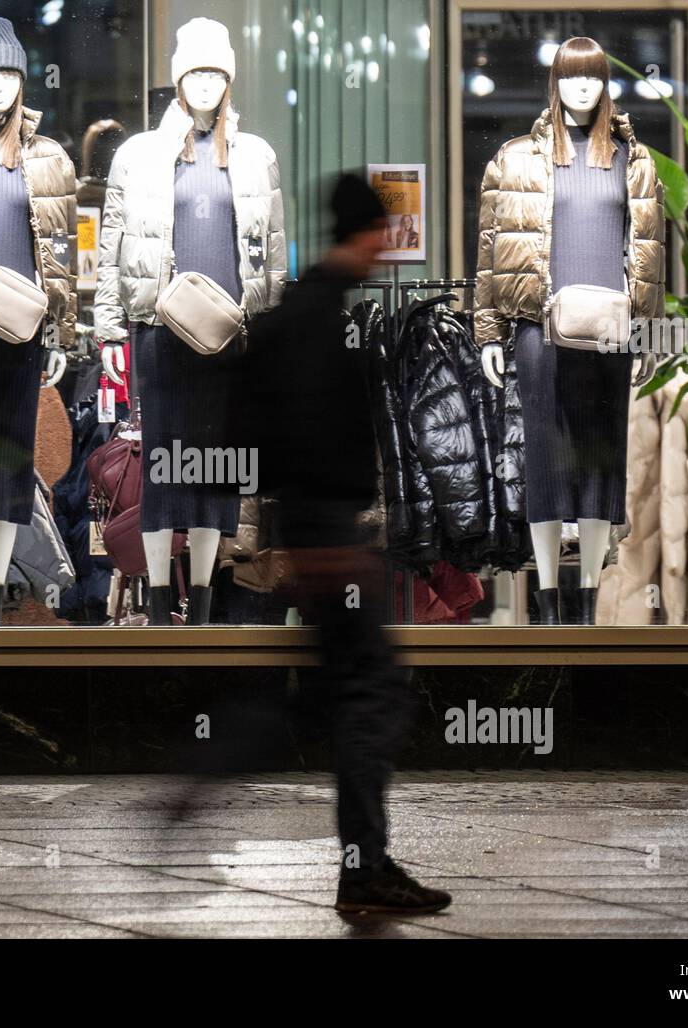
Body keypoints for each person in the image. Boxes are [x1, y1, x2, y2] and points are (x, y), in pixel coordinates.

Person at [240, 174, 452, 914]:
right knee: (375, 694)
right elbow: (301, 431)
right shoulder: (322, 318)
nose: (384, 249)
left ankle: (220, 766)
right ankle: (363, 870)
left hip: (320, 531)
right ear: (359, 235)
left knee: (337, 696)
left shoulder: (311, 308)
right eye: (378, 235)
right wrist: (324, 537)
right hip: (327, 535)